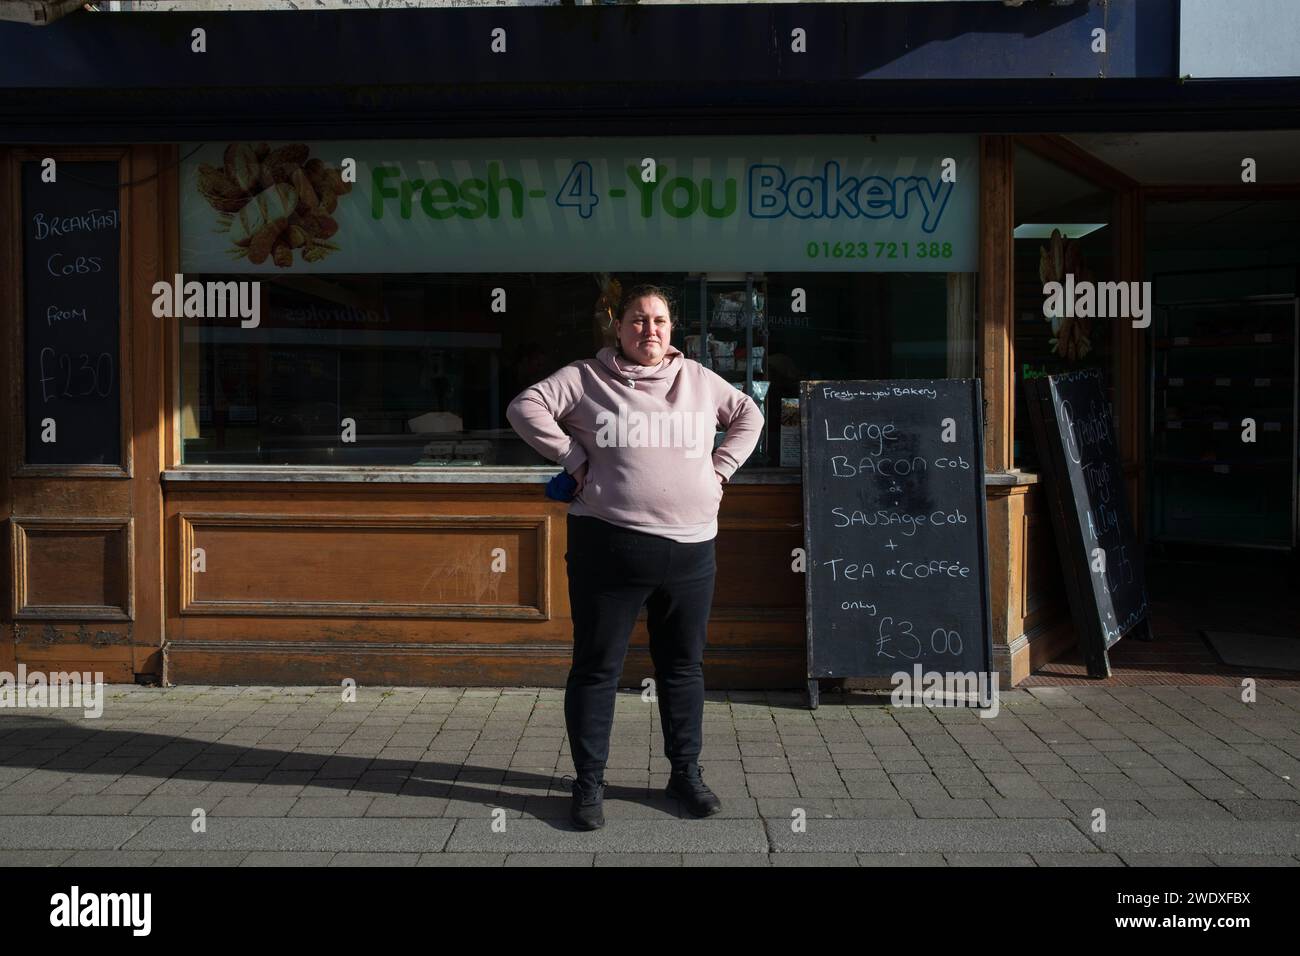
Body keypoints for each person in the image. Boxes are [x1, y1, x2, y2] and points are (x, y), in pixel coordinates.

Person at [505, 283, 764, 829]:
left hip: (692, 549)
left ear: (673, 330)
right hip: (608, 545)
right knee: (598, 669)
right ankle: (589, 783)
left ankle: (685, 775)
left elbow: (749, 415)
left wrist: (720, 470)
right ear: (618, 328)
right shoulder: (584, 377)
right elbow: (524, 406)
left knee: (683, 668)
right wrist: (574, 456)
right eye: (639, 320)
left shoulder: (696, 378)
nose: (651, 330)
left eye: (661, 321)